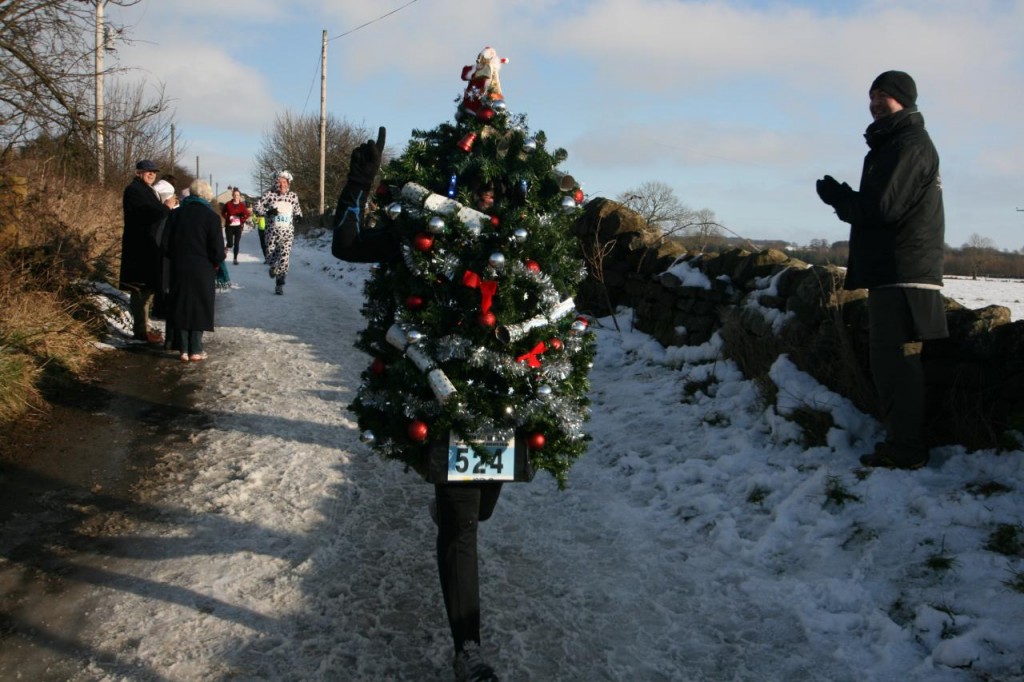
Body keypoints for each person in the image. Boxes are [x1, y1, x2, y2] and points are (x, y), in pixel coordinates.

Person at [332, 128, 501, 682]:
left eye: (494, 189)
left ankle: (457, 508)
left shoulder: (515, 239)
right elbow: (347, 245)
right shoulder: (420, 229)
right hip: (436, 385)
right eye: (475, 187)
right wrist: (360, 181)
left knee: (480, 507)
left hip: (500, 393)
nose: (484, 198)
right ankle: (468, 650)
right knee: (461, 524)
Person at [816, 70, 948, 470]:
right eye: (872, 96)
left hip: (904, 271)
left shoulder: (908, 145)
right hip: (898, 270)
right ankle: (904, 441)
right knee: (893, 363)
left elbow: (882, 209)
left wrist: (840, 199)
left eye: (885, 97)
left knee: (896, 365)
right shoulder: (894, 142)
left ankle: (906, 449)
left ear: (904, 100)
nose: (875, 103)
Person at [162, 179, 225, 362]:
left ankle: (182, 350)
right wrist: (216, 260)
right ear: (206, 195)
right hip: (202, 268)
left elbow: (165, 244)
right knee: (200, 306)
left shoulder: (176, 215)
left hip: (179, 266)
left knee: (180, 304)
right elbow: (217, 252)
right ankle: (196, 349)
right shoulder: (212, 217)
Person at [120, 159, 175, 344]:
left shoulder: (146, 189)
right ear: (138, 173)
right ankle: (140, 331)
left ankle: (143, 328)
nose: (151, 174)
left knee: (147, 289)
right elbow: (148, 213)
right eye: (147, 171)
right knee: (140, 289)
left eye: (154, 172)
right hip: (139, 248)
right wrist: (166, 207)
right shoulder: (134, 190)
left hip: (147, 247)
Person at [254, 170, 303, 295]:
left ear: (288, 183)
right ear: (276, 183)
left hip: (287, 233)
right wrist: (267, 212)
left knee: (284, 258)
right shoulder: (269, 195)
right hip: (272, 234)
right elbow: (256, 207)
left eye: (285, 182)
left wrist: (298, 216)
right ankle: (272, 266)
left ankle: (279, 284)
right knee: (271, 257)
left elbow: (297, 210)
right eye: (279, 182)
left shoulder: (293, 196)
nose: (282, 185)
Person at [221, 187, 251, 265]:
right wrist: (228, 218)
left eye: (237, 195)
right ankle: (226, 247)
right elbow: (223, 213)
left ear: (240, 196)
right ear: (232, 195)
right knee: (230, 243)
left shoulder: (242, 205)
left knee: (236, 243)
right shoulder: (228, 204)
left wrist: (242, 219)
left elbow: (247, 214)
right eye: (235, 195)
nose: (236, 196)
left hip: (238, 227)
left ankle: (235, 259)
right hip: (229, 226)